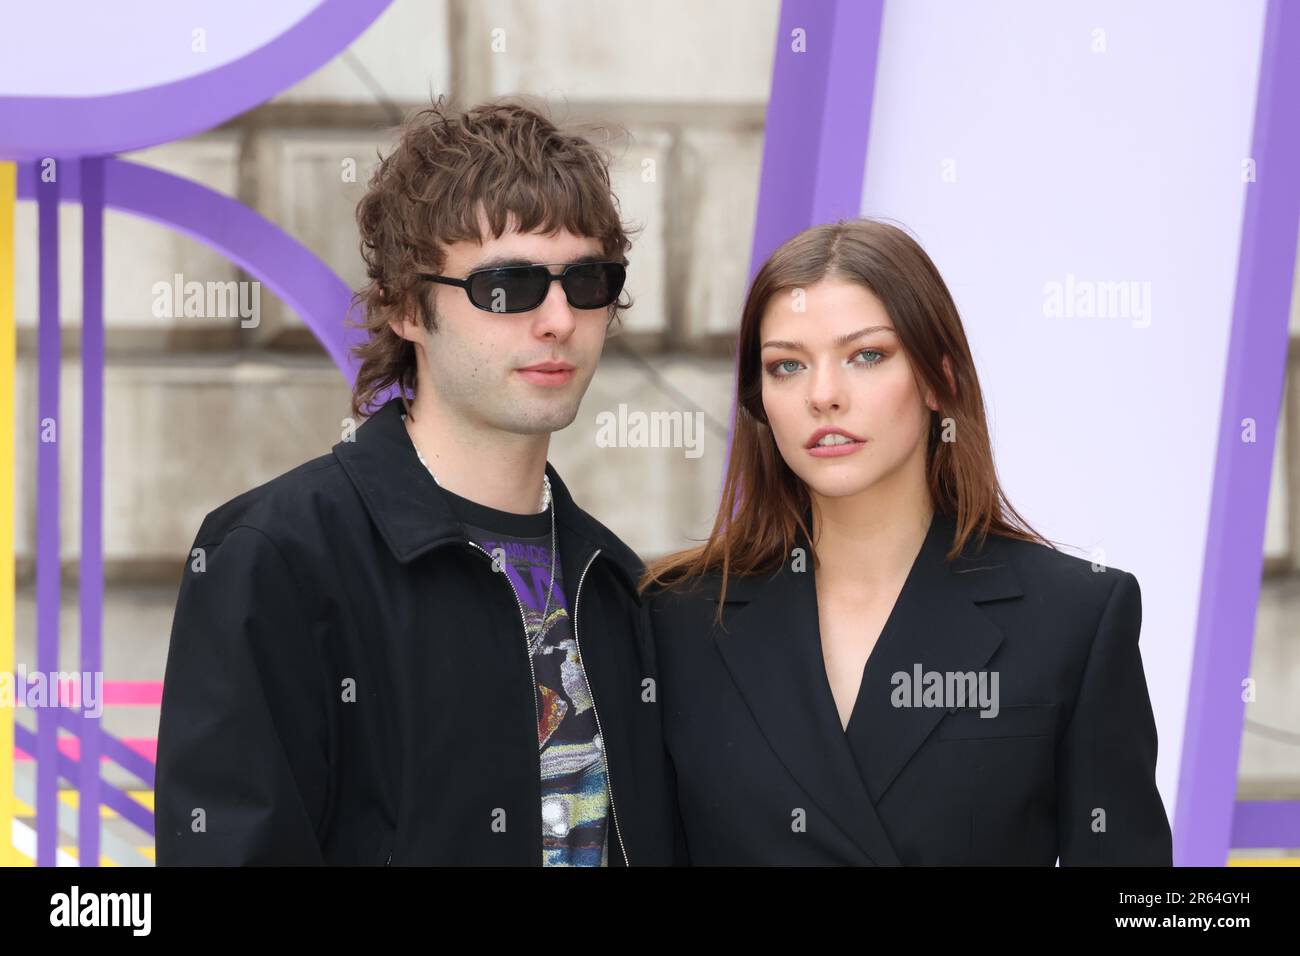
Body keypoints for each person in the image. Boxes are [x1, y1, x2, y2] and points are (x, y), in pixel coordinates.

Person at [155, 97, 674, 866]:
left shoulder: (621, 588)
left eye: (587, 280)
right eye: (508, 287)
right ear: (403, 306)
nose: (559, 318)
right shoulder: (277, 559)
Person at [640, 218, 1173, 866]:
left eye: (866, 355)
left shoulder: (1075, 616)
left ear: (938, 378)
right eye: (787, 366)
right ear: (759, 401)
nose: (823, 396)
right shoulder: (676, 618)